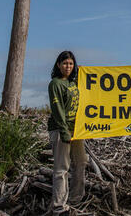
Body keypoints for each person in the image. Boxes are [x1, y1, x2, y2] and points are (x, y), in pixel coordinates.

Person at [48, 51, 86, 215]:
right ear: (58, 65)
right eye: (65, 63)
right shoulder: (55, 84)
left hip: (76, 130)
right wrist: (64, 131)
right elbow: (57, 110)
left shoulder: (73, 83)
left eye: (70, 64)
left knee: (80, 162)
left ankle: (76, 198)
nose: (68, 66)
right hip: (60, 129)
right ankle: (59, 206)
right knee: (61, 168)